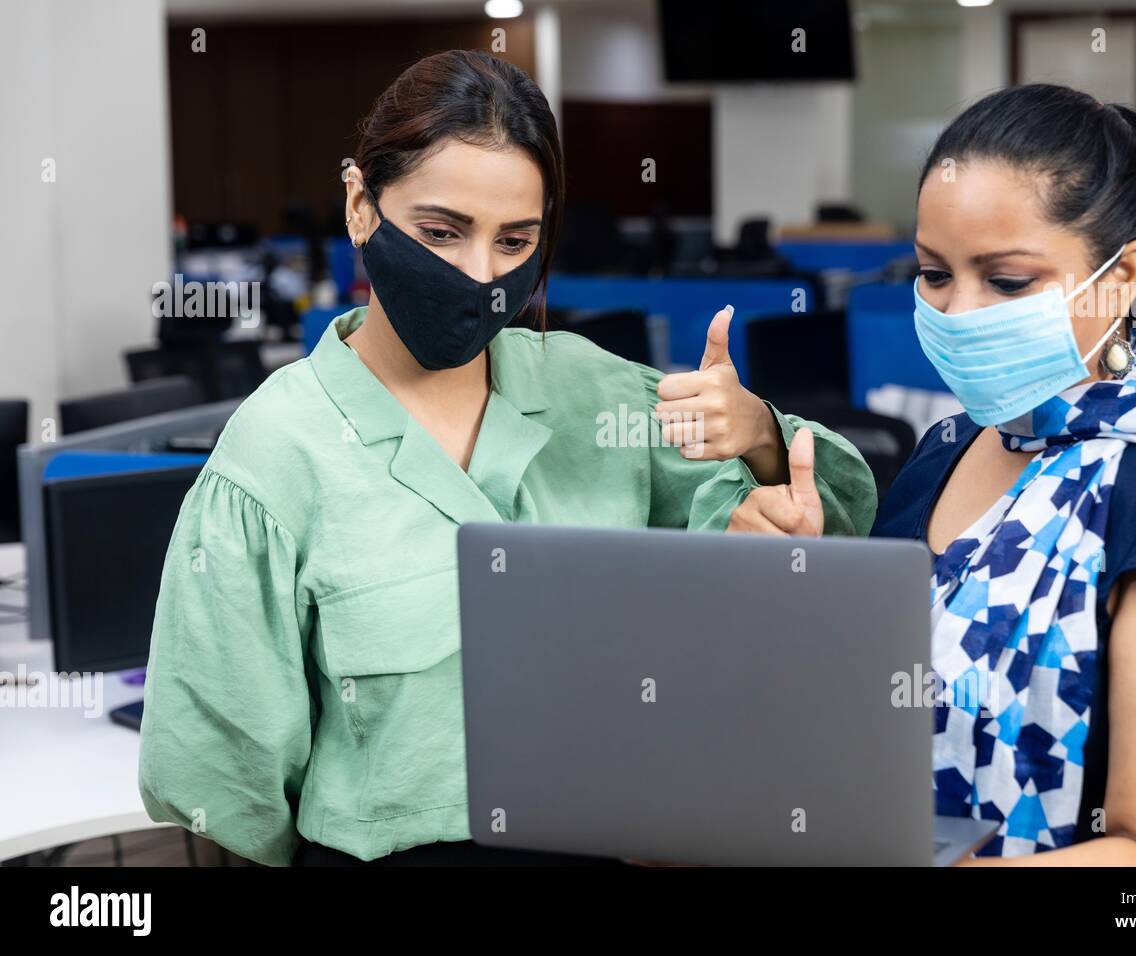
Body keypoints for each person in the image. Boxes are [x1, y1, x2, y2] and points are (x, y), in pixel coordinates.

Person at [138, 50, 876, 867]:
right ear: (359, 205)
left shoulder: (596, 395)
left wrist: (761, 442)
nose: (481, 275)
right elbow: (222, 782)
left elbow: (835, 518)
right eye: (441, 232)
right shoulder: (276, 453)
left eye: (514, 240)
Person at [730, 84, 1136, 865]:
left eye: (1006, 282)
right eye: (933, 275)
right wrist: (796, 589)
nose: (959, 313)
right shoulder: (947, 449)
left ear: (1122, 276)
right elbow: (870, 726)